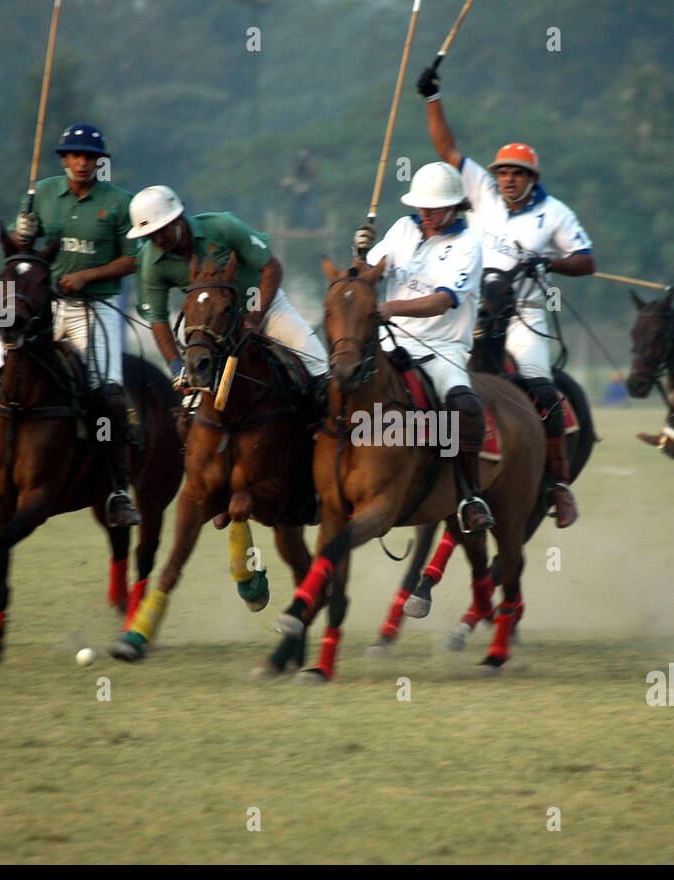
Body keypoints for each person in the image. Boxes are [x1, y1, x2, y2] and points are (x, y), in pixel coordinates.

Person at [357, 64, 594, 527]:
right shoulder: (480, 191)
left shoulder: (555, 215)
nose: (507, 179)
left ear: (532, 178)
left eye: (517, 174)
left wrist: (547, 262)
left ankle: (558, 485)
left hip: (522, 314)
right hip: (474, 311)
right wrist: (431, 98)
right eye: (502, 171)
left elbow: (586, 261)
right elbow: (446, 148)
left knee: (539, 388)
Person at [0, 123, 141, 526]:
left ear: (100, 162)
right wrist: (20, 233)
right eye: (74, 155)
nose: (81, 162)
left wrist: (86, 276)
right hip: (45, 308)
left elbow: (133, 259)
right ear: (64, 159)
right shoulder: (40, 194)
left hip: (97, 307)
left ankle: (115, 490)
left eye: (89, 156)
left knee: (109, 398)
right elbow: (17, 252)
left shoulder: (118, 203)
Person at [362, 161, 494, 534]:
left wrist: (387, 308)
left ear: (455, 206)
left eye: (435, 208)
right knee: (338, 380)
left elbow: (441, 301)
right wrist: (360, 257)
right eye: (422, 206)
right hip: (391, 341)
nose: (426, 214)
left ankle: (470, 496)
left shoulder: (467, 246)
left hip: (442, 347)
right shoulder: (404, 228)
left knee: (463, 405)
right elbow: (370, 275)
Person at [126, 184, 328, 384]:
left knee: (319, 366)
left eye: (162, 230)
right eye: (150, 236)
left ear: (177, 219)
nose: (158, 240)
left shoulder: (222, 226)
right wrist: (177, 369)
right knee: (194, 402)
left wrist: (254, 317)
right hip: (215, 329)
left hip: (264, 309)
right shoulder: (150, 262)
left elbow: (272, 269)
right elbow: (158, 321)